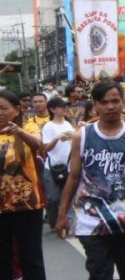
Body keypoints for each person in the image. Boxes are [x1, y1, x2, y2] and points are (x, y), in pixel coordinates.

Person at [55, 80, 125, 280]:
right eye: (104, 102)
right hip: (92, 221)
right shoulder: (83, 135)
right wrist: (62, 214)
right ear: (95, 105)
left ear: (123, 102)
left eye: (116, 100)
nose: (111, 106)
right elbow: (74, 176)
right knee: (99, 274)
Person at [0, 90, 50, 280]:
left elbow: (40, 147)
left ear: (17, 110)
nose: (0, 113)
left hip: (28, 206)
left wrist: (18, 131)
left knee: (32, 260)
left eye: (4, 108)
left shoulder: (29, 128)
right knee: (2, 260)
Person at [41, 96, 74, 229]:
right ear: (52, 109)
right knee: (53, 198)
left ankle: (68, 224)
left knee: (68, 196)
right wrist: (56, 139)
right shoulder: (48, 126)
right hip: (52, 167)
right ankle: (53, 221)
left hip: (68, 166)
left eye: (65, 106)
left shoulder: (68, 124)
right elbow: (46, 148)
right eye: (61, 107)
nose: (64, 109)